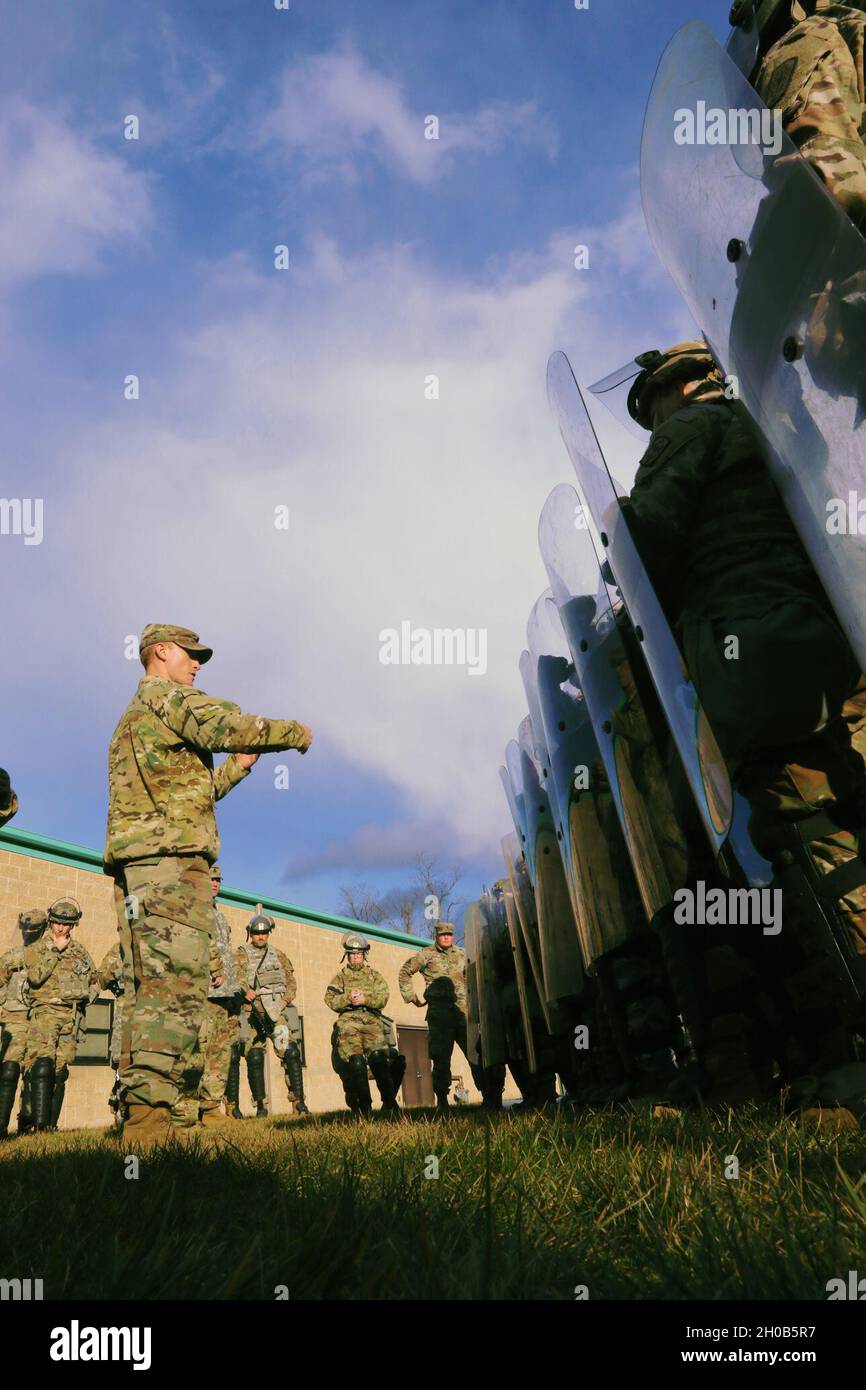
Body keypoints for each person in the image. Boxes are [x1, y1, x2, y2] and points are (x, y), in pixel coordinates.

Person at [620, 341, 866, 1098]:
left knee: (795, 833)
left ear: (676, 390)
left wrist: (617, 534)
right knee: (851, 807)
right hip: (829, 640)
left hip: (748, 647)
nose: (652, 422)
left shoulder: (688, 431)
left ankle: (846, 1051)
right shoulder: (782, 424)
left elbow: (650, 539)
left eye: (652, 405)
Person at [104, 622, 312, 1142]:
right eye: (190, 656)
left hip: (145, 866)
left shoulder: (136, 717)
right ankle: (150, 1126)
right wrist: (294, 732)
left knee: (151, 989)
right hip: (171, 869)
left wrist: (237, 770)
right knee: (170, 992)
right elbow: (229, 725)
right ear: (160, 653)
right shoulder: (167, 699)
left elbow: (187, 800)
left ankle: (170, 1113)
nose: (197, 666)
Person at [24, 898, 98, 1131]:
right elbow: (35, 977)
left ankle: (50, 1127)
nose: (60, 928)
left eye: (66, 924)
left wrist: (86, 995)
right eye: (56, 922)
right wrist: (56, 950)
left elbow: (94, 980)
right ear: (50, 922)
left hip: (71, 1016)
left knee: (60, 1071)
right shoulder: (38, 947)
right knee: (41, 1067)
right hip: (45, 1013)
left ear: (73, 925)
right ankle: (36, 1124)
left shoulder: (79, 951)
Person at [233, 908, 308, 1118]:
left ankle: (299, 1102)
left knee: (291, 1052)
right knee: (254, 1056)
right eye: (257, 933)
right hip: (251, 1013)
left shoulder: (278, 955)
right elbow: (233, 977)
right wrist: (244, 990)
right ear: (250, 933)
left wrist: (286, 999)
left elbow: (291, 981)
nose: (261, 936)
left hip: (275, 1013)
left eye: (264, 933)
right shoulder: (240, 954)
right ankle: (261, 1106)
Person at [399, 923, 473, 1111]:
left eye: (449, 934)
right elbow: (405, 971)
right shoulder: (426, 954)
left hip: (462, 1013)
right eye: (443, 935)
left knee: (475, 1053)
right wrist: (410, 996)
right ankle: (442, 1099)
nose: (447, 937)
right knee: (441, 1058)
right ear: (437, 936)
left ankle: (490, 1096)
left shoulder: (462, 954)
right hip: (439, 1015)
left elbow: (472, 976)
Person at [195, 864, 246, 1127]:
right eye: (210, 879)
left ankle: (212, 1107)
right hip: (206, 991)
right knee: (202, 1050)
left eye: (218, 880)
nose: (215, 884)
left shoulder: (218, 915)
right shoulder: (196, 909)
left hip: (225, 994)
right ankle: (196, 1108)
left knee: (221, 1051)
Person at [325, 934, 398, 1115]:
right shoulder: (340, 977)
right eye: (352, 954)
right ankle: (364, 1106)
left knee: (379, 1058)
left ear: (364, 955)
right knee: (355, 1061)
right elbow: (329, 999)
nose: (356, 956)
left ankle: (390, 1103)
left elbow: (383, 998)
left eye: (359, 954)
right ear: (347, 955)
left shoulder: (374, 976)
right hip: (349, 1021)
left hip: (372, 1019)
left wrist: (366, 999)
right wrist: (347, 998)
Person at [0, 909, 47, 1138]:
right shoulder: (11, 957)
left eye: (33, 931)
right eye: (25, 931)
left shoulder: (48, 956)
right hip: (14, 1018)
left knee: (35, 1073)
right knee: (9, 1071)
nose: (27, 935)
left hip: (40, 1018)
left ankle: (28, 1127)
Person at [96, 941, 125, 1125]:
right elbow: (102, 978)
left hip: (157, 1009)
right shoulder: (120, 948)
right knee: (123, 1060)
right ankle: (121, 1110)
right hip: (127, 1007)